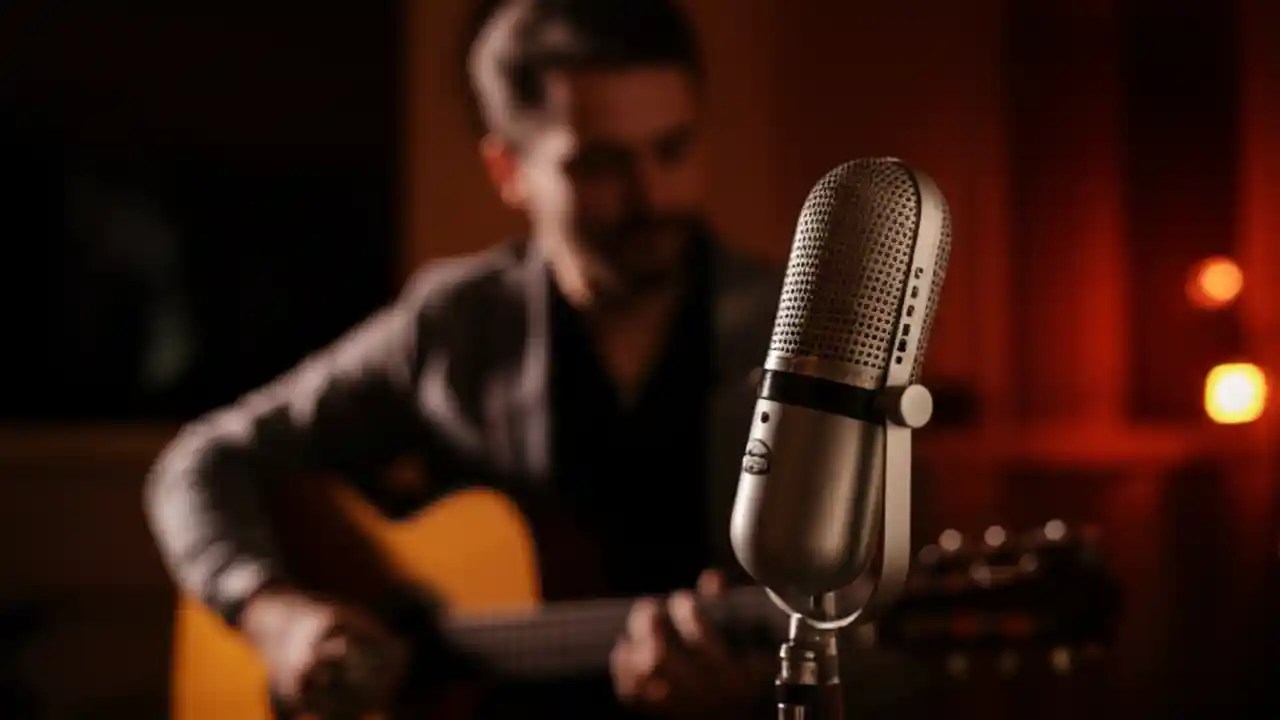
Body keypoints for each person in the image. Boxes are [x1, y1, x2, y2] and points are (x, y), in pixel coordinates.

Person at [144, 0, 783, 716]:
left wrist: (757, 696)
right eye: (600, 164)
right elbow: (200, 462)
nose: (652, 197)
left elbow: (868, 659)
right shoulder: (456, 324)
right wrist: (276, 617)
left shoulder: (799, 339)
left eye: (673, 149)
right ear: (507, 168)